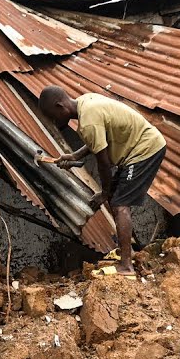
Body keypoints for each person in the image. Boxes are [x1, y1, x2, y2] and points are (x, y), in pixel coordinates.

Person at [36, 86, 167, 277]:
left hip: (145, 150)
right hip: (136, 149)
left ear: (60, 106)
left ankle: (126, 266)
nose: (54, 122)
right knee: (115, 200)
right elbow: (98, 139)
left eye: (53, 116)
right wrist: (74, 155)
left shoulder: (88, 120)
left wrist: (105, 193)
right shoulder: (86, 102)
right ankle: (126, 252)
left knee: (120, 204)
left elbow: (104, 164)